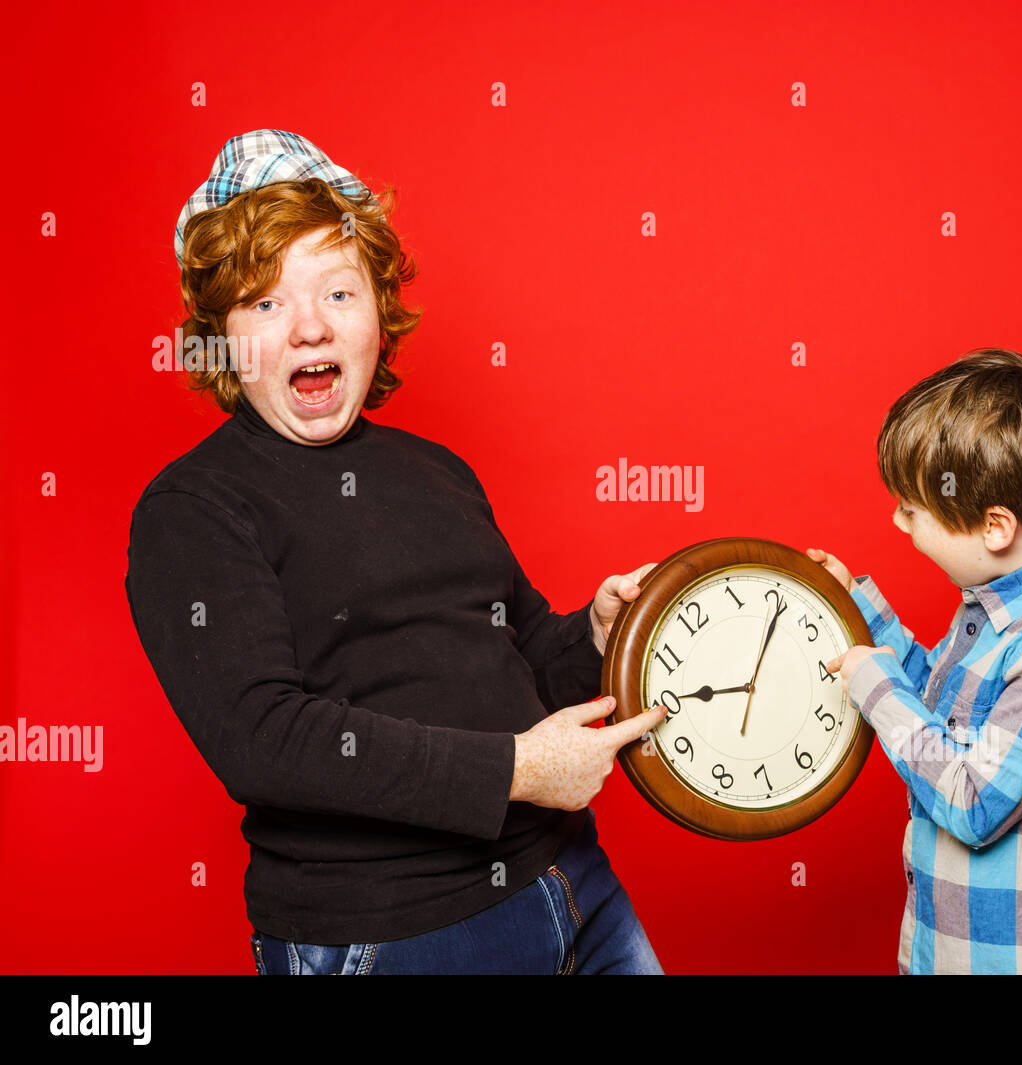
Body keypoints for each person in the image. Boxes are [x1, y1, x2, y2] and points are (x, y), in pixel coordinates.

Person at [125, 130, 670, 974]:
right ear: (221, 336)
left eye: (338, 292)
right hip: (392, 939)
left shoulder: (436, 469)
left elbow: (521, 662)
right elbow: (262, 738)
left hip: (576, 887)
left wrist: (595, 637)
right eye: (266, 303)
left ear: (378, 306)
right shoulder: (194, 509)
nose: (309, 326)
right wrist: (519, 770)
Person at [812, 348, 1022, 974]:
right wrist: (857, 611)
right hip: (958, 949)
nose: (897, 522)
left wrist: (874, 688)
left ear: (994, 527)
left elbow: (975, 801)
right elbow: (950, 728)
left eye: (911, 510)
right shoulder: (1003, 605)